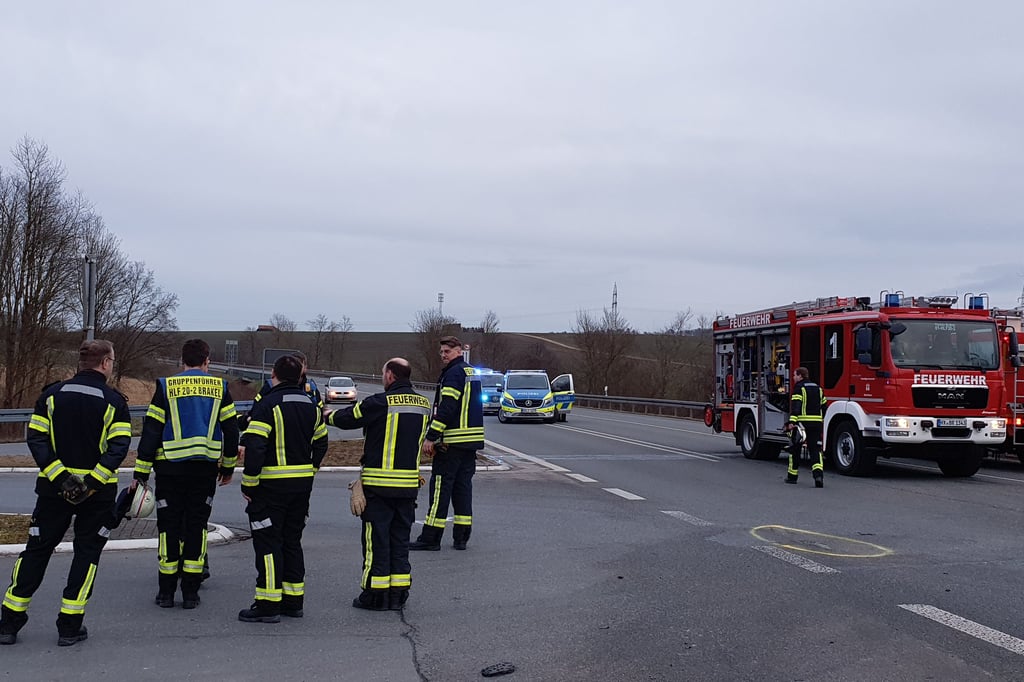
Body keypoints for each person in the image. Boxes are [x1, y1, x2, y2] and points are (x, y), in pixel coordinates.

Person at [0, 340, 131, 647]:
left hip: (52, 491)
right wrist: (93, 483)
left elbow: (36, 439)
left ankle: (8, 622)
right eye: (112, 361)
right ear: (105, 364)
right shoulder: (114, 402)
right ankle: (69, 627)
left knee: (36, 551)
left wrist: (61, 478)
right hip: (96, 496)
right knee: (86, 555)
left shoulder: (51, 395)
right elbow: (118, 448)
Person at [133, 339, 239, 609]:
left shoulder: (166, 386)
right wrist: (227, 467)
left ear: (182, 360)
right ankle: (190, 593)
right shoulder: (219, 387)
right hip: (203, 470)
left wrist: (141, 473)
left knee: (169, 527)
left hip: (169, 469)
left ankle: (166, 593)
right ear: (207, 361)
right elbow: (230, 430)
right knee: (196, 527)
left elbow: (152, 430)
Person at [325, 358, 431, 611]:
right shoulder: (424, 405)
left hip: (378, 486)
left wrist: (327, 416)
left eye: (383, 373)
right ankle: (398, 593)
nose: (383, 377)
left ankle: (374, 595)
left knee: (376, 542)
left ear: (391, 376)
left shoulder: (379, 402)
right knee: (400, 540)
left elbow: (349, 418)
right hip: (407, 487)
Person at [237, 354, 328, 623]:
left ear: (274, 375)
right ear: (299, 375)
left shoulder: (267, 405)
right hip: (301, 488)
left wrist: (249, 483)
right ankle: (293, 602)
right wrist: (310, 471)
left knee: (267, 544)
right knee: (292, 542)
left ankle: (268, 605)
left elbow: (255, 445)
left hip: (270, 488)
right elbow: (321, 444)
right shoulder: (311, 406)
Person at [410, 336, 484, 551]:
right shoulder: (471, 372)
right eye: (442, 352)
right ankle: (461, 537)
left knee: (441, 488)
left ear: (459, 351)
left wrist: (431, 436)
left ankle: (430, 538)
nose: (443, 356)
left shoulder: (452, 374)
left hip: (451, 442)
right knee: (463, 489)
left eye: (447, 352)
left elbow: (447, 407)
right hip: (470, 443)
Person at [784, 366, 827, 487]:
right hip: (816, 424)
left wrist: (792, 422)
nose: (793, 377)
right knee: (815, 450)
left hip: (801, 424)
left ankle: (792, 477)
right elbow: (824, 405)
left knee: (795, 450)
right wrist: (820, 419)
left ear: (800, 376)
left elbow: (796, 406)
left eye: (794, 375)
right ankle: (818, 477)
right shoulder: (818, 388)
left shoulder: (799, 388)